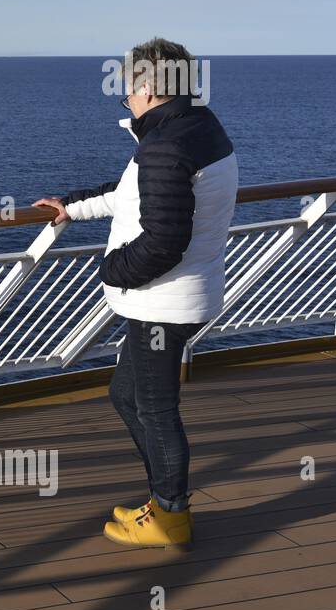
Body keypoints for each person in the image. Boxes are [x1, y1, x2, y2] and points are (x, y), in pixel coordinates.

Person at [34, 38, 237, 547]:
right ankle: (162, 503)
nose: (128, 101)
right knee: (128, 395)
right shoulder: (193, 128)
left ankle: (171, 516)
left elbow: (165, 239)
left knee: (155, 408)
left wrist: (112, 269)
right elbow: (134, 192)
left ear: (147, 88)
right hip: (175, 295)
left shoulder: (168, 144)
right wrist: (71, 207)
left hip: (163, 301)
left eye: (128, 94)